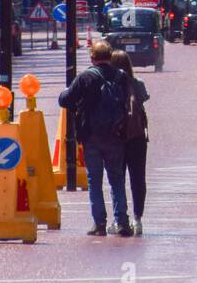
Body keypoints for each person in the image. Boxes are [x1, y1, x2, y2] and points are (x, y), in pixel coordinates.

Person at [58, 41, 133, 237]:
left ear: (92, 57)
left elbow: (66, 100)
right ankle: (122, 221)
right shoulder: (121, 76)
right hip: (115, 134)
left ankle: (99, 223)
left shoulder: (86, 77)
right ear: (110, 56)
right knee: (117, 178)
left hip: (90, 135)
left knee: (95, 180)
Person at [110, 50, 150, 236]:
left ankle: (119, 218)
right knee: (137, 178)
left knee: (117, 178)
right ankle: (138, 218)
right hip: (137, 136)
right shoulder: (137, 84)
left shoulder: (109, 85)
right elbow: (142, 99)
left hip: (116, 136)